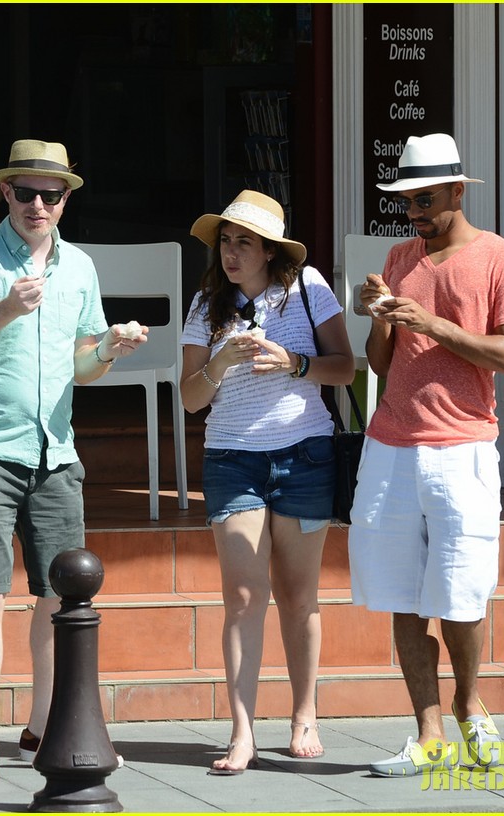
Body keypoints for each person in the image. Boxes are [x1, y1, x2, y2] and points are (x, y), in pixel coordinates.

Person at [0, 139, 147, 790]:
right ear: (4, 193)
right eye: (26, 192)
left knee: (58, 595)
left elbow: (82, 365)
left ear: (67, 199)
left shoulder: (79, 268)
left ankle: (47, 724)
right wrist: (1, 311)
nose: (38, 204)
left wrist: (108, 347)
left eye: (52, 194)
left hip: (55, 449)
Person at [350, 133, 504, 777]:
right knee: (402, 596)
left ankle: (469, 705)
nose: (414, 213)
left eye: (425, 199)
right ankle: (427, 735)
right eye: (406, 201)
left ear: (459, 190)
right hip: (391, 446)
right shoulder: (400, 256)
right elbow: (378, 363)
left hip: (464, 448)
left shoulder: (501, 258)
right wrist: (377, 317)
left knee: (461, 597)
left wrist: (433, 326)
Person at [180, 190, 355, 774]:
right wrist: (220, 364)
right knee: (244, 597)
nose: (231, 253)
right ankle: (242, 730)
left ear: (270, 249)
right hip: (232, 459)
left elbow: (346, 367)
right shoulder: (207, 305)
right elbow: (189, 399)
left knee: (300, 596)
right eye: (225, 241)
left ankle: (304, 715)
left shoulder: (309, 288)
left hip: (305, 453)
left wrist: (295, 364)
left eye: (244, 242)